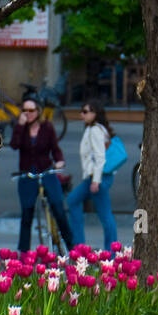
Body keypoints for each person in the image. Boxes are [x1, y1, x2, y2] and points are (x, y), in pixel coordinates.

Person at [10, 93, 73, 252]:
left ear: (38, 111)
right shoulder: (20, 128)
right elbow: (14, 145)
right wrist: (19, 126)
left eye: (31, 110)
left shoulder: (47, 128)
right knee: (27, 214)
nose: (28, 114)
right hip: (27, 174)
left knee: (58, 207)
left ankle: (72, 248)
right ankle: (23, 254)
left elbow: (56, 149)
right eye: (24, 110)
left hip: (45, 170)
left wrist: (59, 161)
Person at [67, 100, 117, 250]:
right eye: (81, 111)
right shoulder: (93, 129)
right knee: (74, 201)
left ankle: (110, 251)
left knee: (104, 214)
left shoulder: (95, 130)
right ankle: (80, 245)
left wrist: (96, 181)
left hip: (98, 178)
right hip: (96, 177)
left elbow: (100, 157)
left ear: (95, 114)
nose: (82, 114)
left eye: (85, 111)